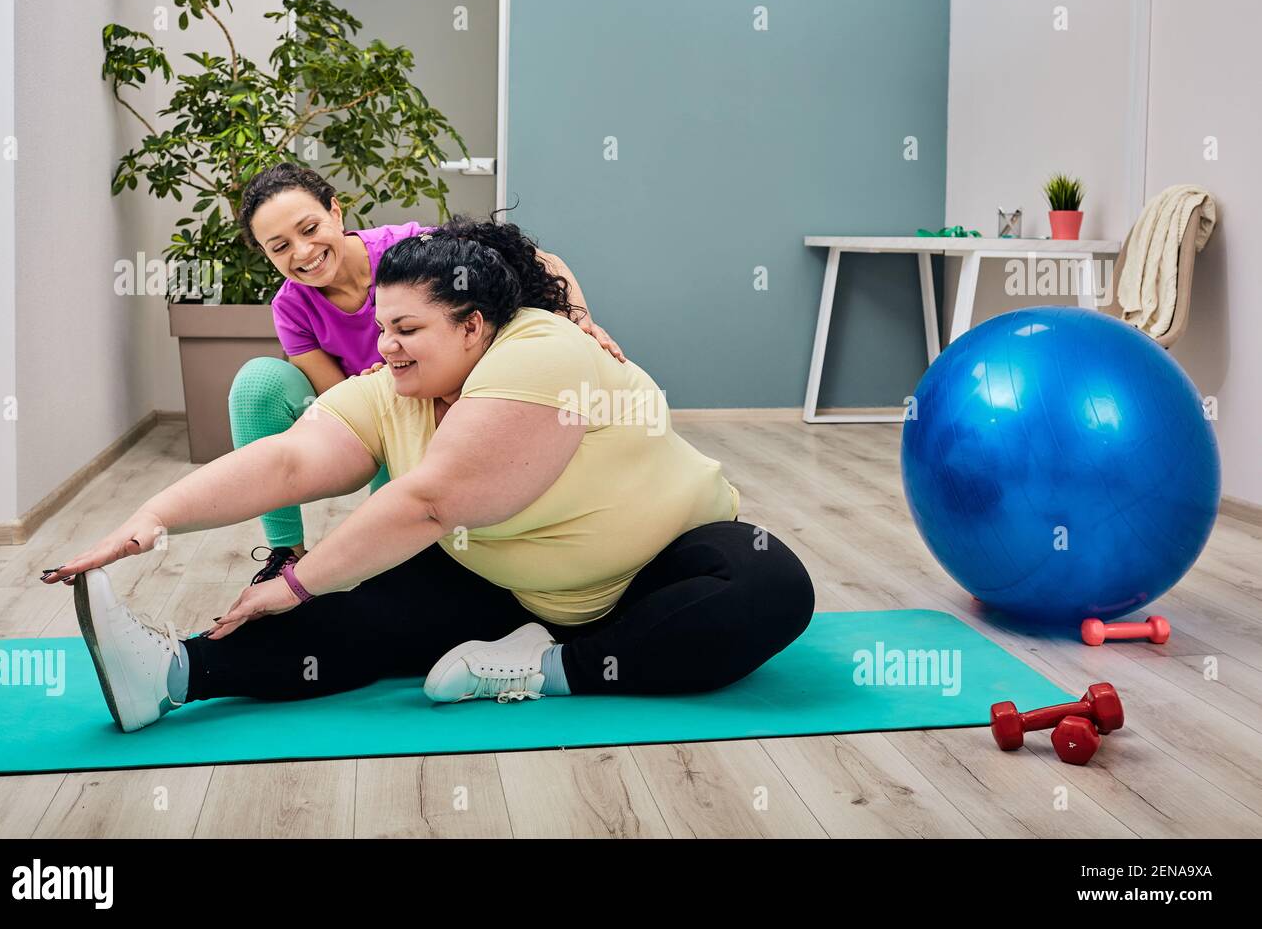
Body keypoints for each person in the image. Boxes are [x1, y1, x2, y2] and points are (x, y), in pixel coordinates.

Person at [42, 216, 814, 733]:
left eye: (408, 330)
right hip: (519, 583)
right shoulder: (393, 389)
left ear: (474, 323)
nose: (386, 348)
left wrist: (292, 579)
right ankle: (171, 672)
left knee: (770, 588)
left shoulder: (541, 348)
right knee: (362, 607)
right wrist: (153, 515)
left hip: (665, 564)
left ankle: (545, 668)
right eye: (381, 329)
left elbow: (430, 500)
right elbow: (288, 460)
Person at [232, 163, 623, 584]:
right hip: (386, 404)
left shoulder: (408, 249)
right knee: (258, 383)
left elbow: (539, 259)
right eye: (280, 247)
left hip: (450, 400)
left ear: (335, 212)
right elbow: (337, 398)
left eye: (309, 228)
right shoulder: (291, 307)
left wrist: (577, 321)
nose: (303, 252)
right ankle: (285, 554)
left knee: (405, 548)